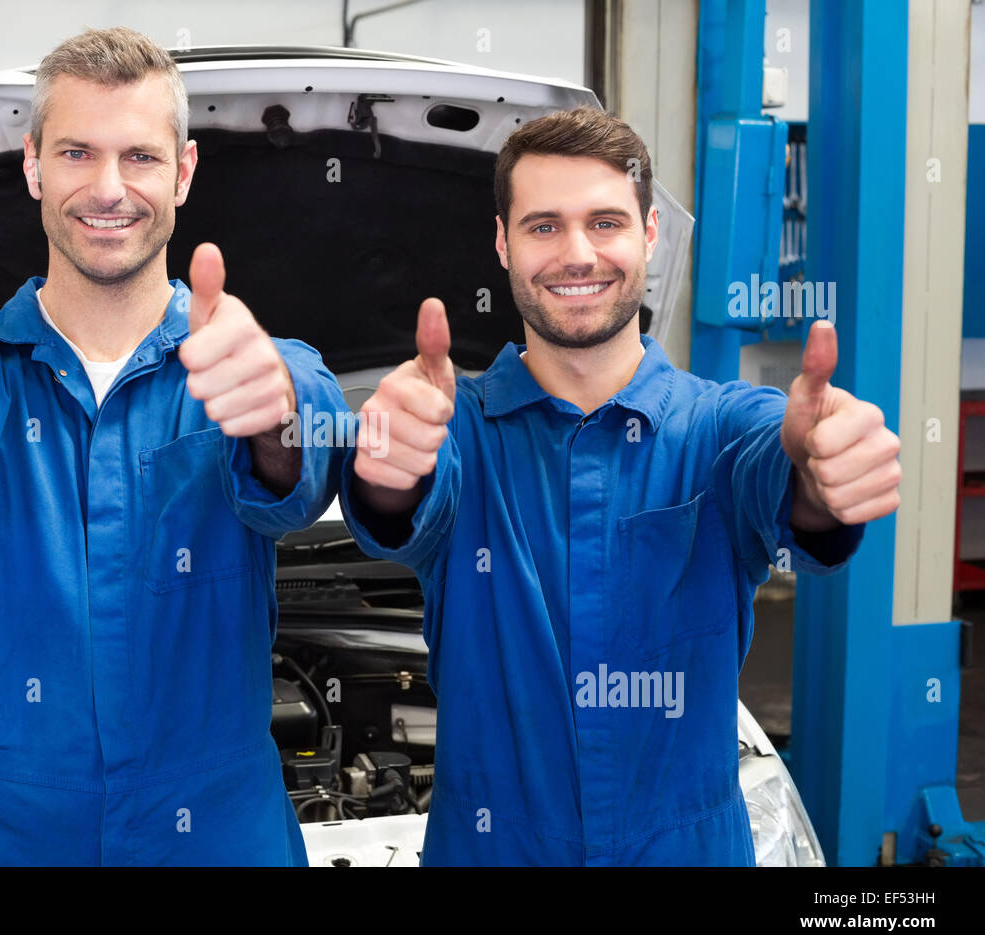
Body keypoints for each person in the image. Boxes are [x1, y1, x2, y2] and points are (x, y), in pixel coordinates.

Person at [0, 27, 350, 865]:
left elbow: (304, 455)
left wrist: (274, 415)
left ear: (184, 171)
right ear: (32, 166)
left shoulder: (249, 368)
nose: (107, 188)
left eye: (138, 156)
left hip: (212, 831)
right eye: (76, 153)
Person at [340, 105, 901, 865]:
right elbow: (402, 501)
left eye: (605, 222)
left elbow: (781, 477)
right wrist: (388, 467)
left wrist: (820, 473)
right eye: (543, 226)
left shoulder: (721, 426)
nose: (577, 254)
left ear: (649, 235)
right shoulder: (459, 431)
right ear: (503, 243)